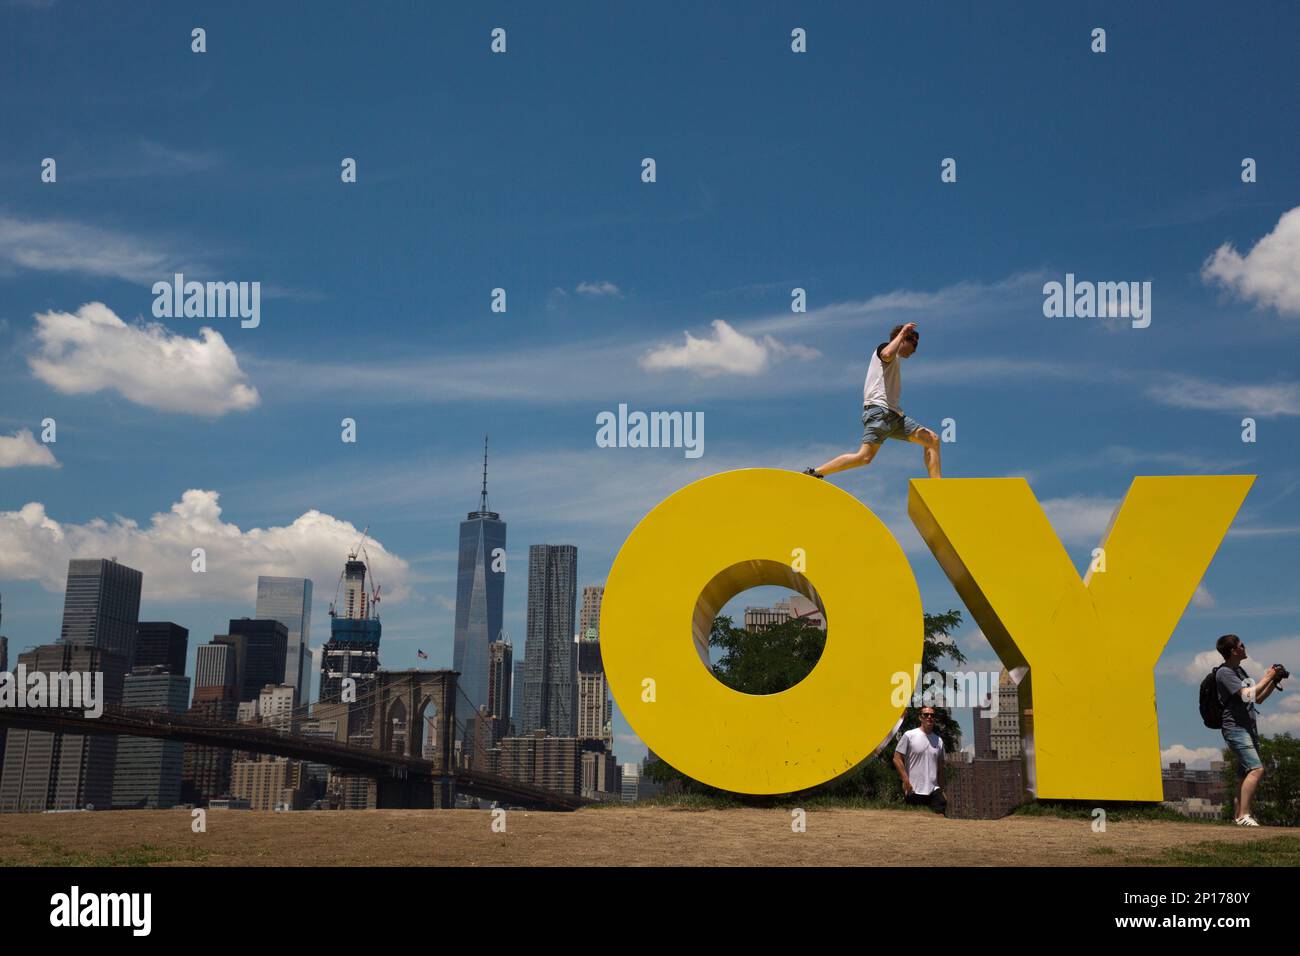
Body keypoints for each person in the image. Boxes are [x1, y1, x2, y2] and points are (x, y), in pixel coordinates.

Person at [804, 322, 941, 480]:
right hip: (880, 412)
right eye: (914, 343)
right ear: (902, 339)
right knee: (864, 457)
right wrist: (903, 332)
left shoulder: (896, 361)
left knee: (931, 439)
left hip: (896, 416)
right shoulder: (884, 349)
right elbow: (887, 354)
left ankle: (937, 488)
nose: (915, 349)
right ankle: (815, 473)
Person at [1214, 633, 1283, 826]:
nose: (1245, 647)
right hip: (1235, 728)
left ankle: (1238, 816)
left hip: (1248, 727)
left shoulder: (1240, 671)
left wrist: (1273, 681)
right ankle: (1245, 815)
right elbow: (1248, 693)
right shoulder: (1225, 672)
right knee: (1256, 768)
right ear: (1234, 650)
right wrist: (1267, 676)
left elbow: (1257, 698)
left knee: (1244, 774)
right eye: (1242, 645)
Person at [893, 707, 947, 814]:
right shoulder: (910, 735)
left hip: (933, 790)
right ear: (920, 718)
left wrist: (942, 790)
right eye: (926, 715)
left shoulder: (939, 741)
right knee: (915, 824)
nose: (929, 717)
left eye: (932, 715)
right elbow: (897, 758)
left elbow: (941, 769)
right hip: (914, 789)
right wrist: (905, 780)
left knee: (940, 819)